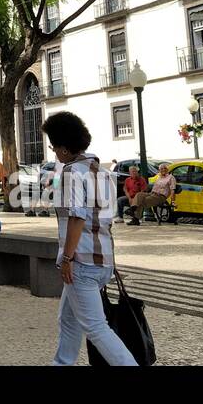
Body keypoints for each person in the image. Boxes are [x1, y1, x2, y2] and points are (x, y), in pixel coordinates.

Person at [44, 110, 137, 366]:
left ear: (63, 148)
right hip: (103, 260)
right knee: (68, 319)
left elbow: (77, 217)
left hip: (81, 262)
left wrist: (67, 259)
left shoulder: (72, 172)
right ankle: (62, 363)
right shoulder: (102, 171)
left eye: (54, 146)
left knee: (97, 328)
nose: (54, 152)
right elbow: (104, 217)